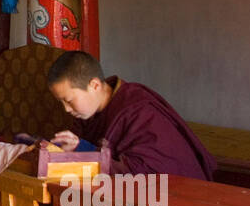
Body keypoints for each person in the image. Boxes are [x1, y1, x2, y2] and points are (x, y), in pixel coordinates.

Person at [43, 50, 216, 181]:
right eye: (61, 102)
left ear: (94, 85)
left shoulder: (139, 111)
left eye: (68, 100)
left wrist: (83, 150)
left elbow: (143, 174)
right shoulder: (87, 113)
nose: (66, 109)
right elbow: (78, 148)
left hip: (174, 199)